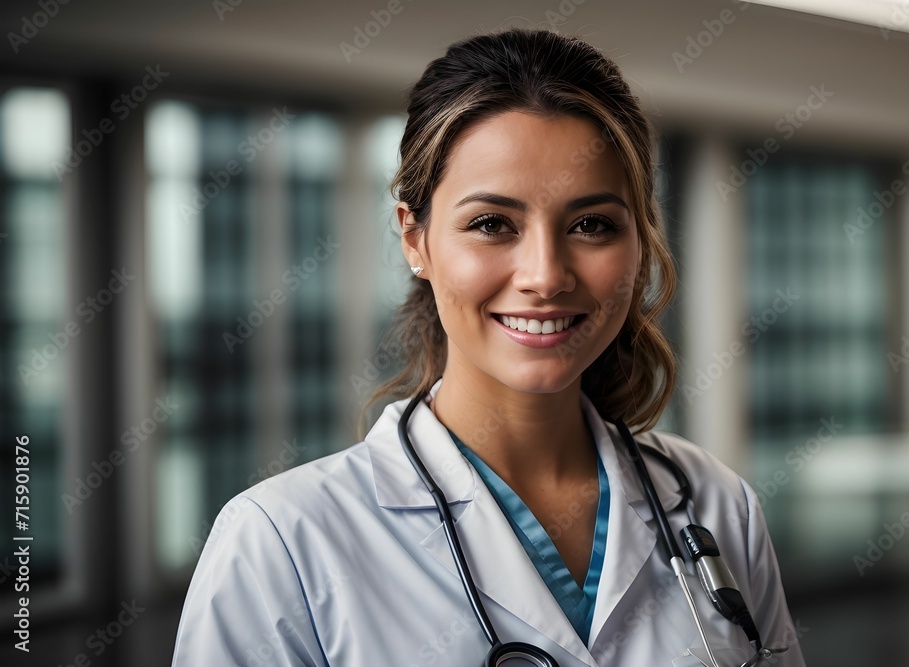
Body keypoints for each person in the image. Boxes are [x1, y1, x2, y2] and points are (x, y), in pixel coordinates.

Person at [171, 27, 807, 667]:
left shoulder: (717, 505)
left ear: (640, 243)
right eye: (492, 224)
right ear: (415, 240)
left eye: (591, 225)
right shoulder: (280, 543)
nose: (545, 275)